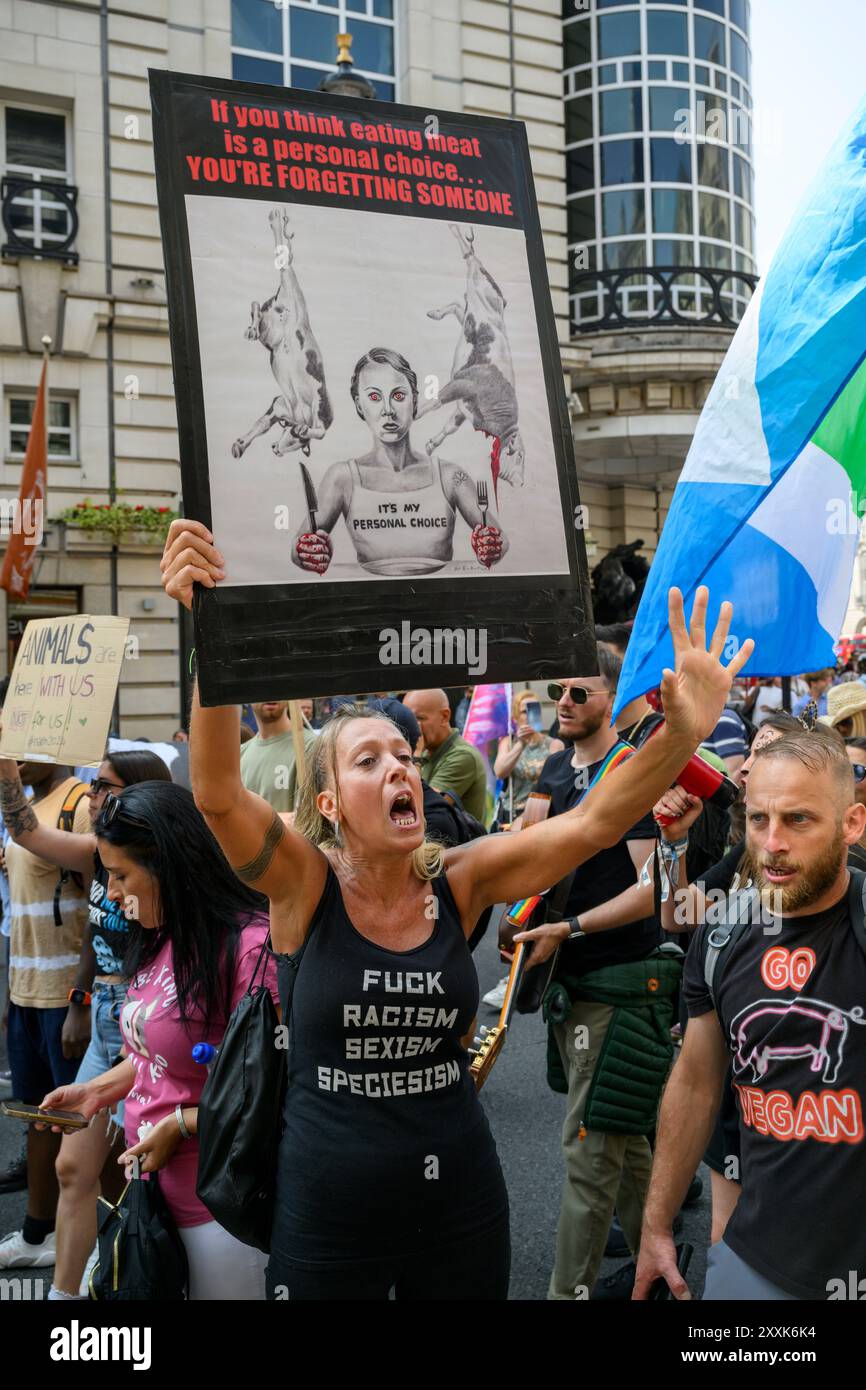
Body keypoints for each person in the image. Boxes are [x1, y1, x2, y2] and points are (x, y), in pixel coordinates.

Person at [160, 516, 752, 1300]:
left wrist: (681, 733)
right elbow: (215, 792)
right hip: (329, 1209)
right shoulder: (303, 885)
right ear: (330, 803)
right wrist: (213, 631)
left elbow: (595, 823)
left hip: (458, 1196)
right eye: (369, 760)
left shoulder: (460, 880)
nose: (399, 769)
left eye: (405, 756)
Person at [635, 728, 866, 1301]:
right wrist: (656, 1226)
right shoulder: (723, 934)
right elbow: (694, 1084)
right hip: (759, 1257)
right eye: (759, 820)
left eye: (798, 820)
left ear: (851, 825)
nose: (772, 843)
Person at [40, 781, 279, 1300]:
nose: (114, 891)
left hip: (217, 1213)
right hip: (149, 1199)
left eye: (122, 874)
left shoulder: (249, 948)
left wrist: (181, 1124)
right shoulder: (159, 935)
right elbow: (155, 1057)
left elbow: (272, 1093)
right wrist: (100, 1091)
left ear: (169, 863)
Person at [0, 749, 172, 1294]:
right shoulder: (97, 854)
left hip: (144, 1020)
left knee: (133, 1174)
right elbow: (27, 830)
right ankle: (64, 1295)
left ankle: (127, 1280)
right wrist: (6, 764)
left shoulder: (166, 865)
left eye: (104, 787)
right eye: (94, 786)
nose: (92, 796)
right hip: (102, 1013)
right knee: (73, 1166)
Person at [292, 348, 507, 578]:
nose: (387, 410)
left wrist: (490, 546)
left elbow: (499, 541)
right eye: (374, 397)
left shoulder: (450, 476)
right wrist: (309, 551)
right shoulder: (341, 477)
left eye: (398, 396)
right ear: (358, 404)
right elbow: (299, 549)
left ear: (414, 401)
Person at [0, 759, 91, 1270]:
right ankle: (39, 1235)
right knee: (36, 1118)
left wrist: (80, 1000)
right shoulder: (28, 807)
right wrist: (14, 999)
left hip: (66, 1001)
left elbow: (102, 906)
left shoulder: (82, 803)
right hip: (28, 994)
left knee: (78, 1124)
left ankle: (104, 1240)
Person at [404, 687, 489, 822]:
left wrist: (415, 756)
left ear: (444, 716)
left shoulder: (463, 756)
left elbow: (424, 809)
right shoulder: (428, 750)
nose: (413, 727)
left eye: (419, 718)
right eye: (408, 720)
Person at [493, 689, 563, 821]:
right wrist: (520, 744)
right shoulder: (508, 742)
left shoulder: (554, 744)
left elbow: (557, 783)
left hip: (543, 812)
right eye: (525, 711)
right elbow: (499, 773)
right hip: (513, 813)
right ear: (515, 717)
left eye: (535, 709)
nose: (531, 714)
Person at [240, 700, 318, 814]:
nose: (271, 692)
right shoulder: (240, 754)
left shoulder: (312, 747)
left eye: (276, 684)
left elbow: (310, 821)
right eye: (262, 684)